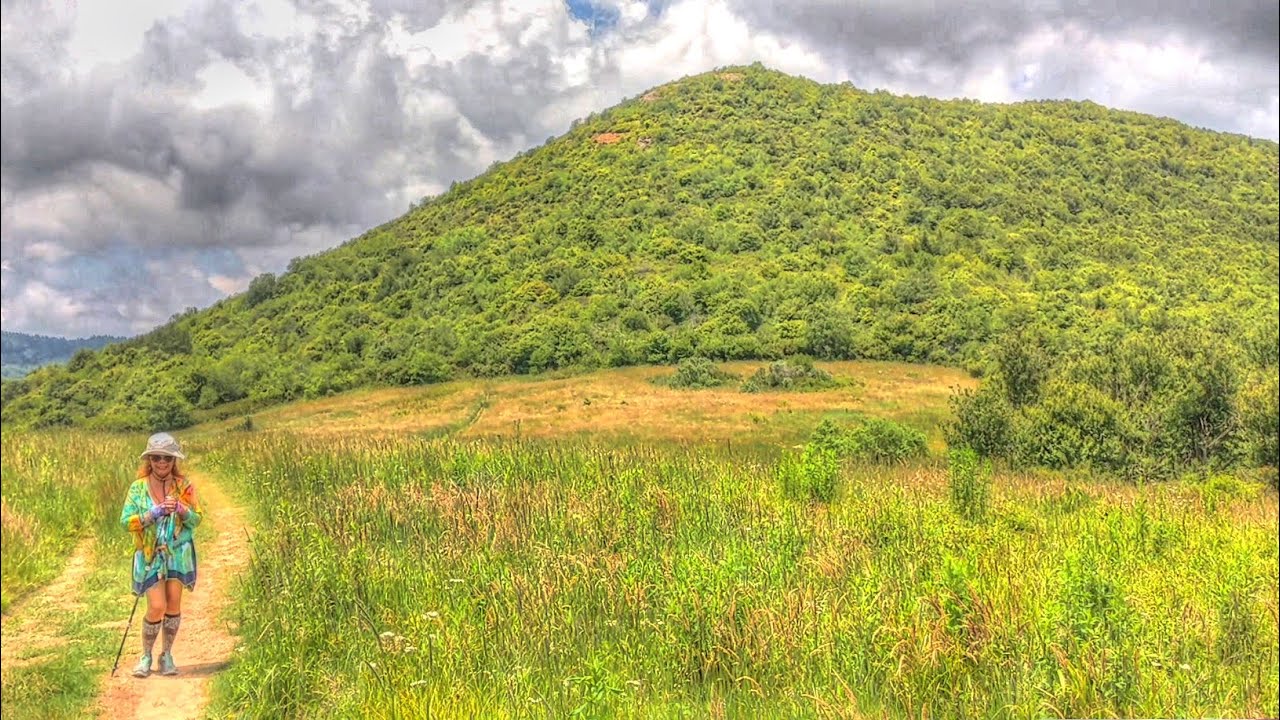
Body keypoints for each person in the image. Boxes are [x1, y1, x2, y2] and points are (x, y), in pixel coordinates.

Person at [119, 432, 202, 678]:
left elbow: (196, 519)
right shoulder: (137, 488)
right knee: (156, 606)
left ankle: (166, 655)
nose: (162, 463)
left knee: (173, 605)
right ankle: (145, 656)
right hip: (149, 554)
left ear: (174, 460)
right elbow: (125, 522)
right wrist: (151, 515)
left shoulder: (184, 486)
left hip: (178, 553)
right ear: (150, 460)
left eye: (167, 458)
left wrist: (181, 509)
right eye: (156, 458)